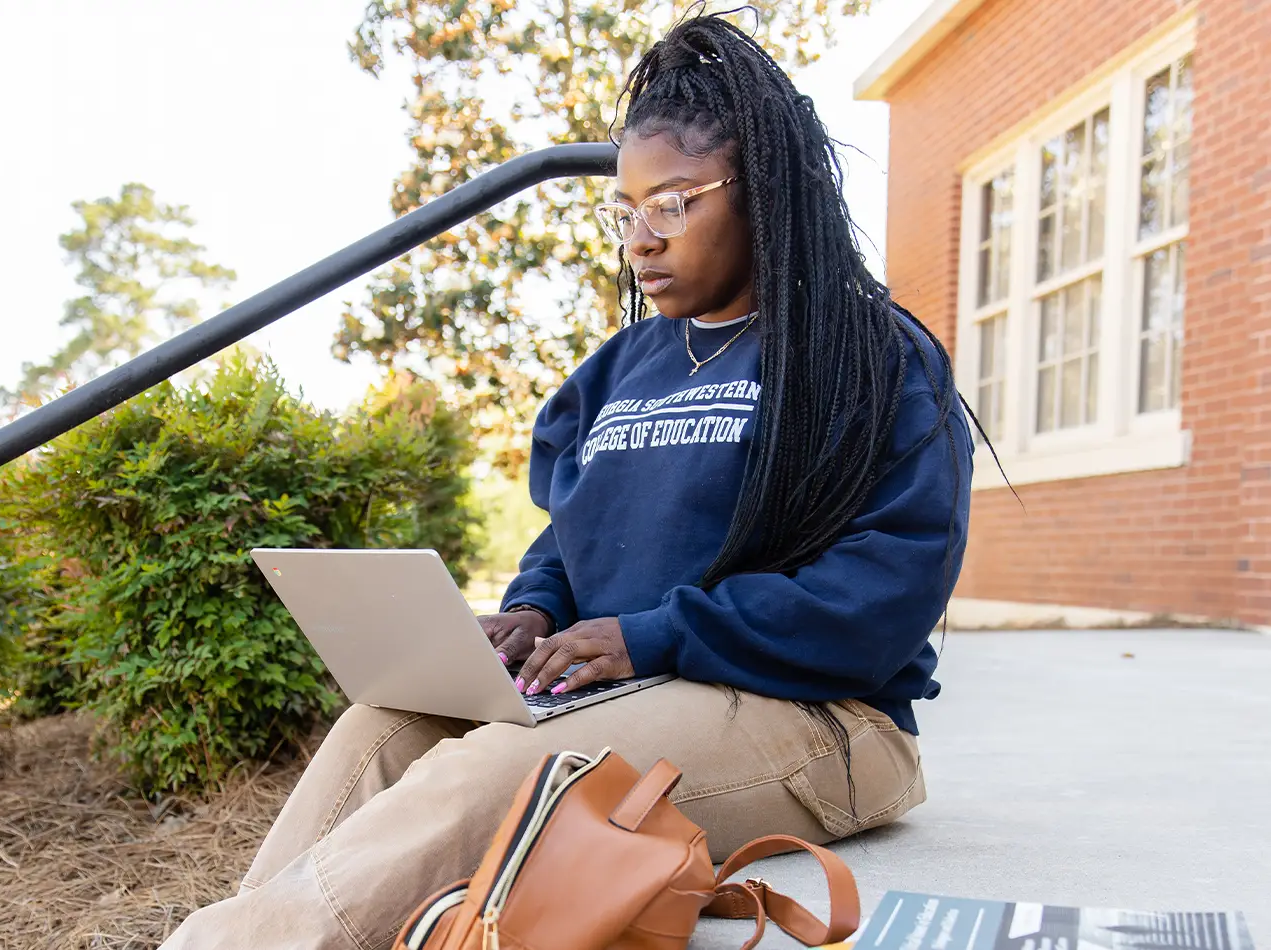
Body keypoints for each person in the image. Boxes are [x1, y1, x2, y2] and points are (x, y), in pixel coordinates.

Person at [161, 13, 974, 950]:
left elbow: (884, 593)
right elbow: (573, 532)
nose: (640, 240)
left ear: (767, 192)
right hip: (633, 694)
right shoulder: (620, 368)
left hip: (821, 719)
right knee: (380, 726)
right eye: (624, 212)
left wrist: (651, 635)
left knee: (503, 775)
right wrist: (535, 610)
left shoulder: (868, 356)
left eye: (673, 205)